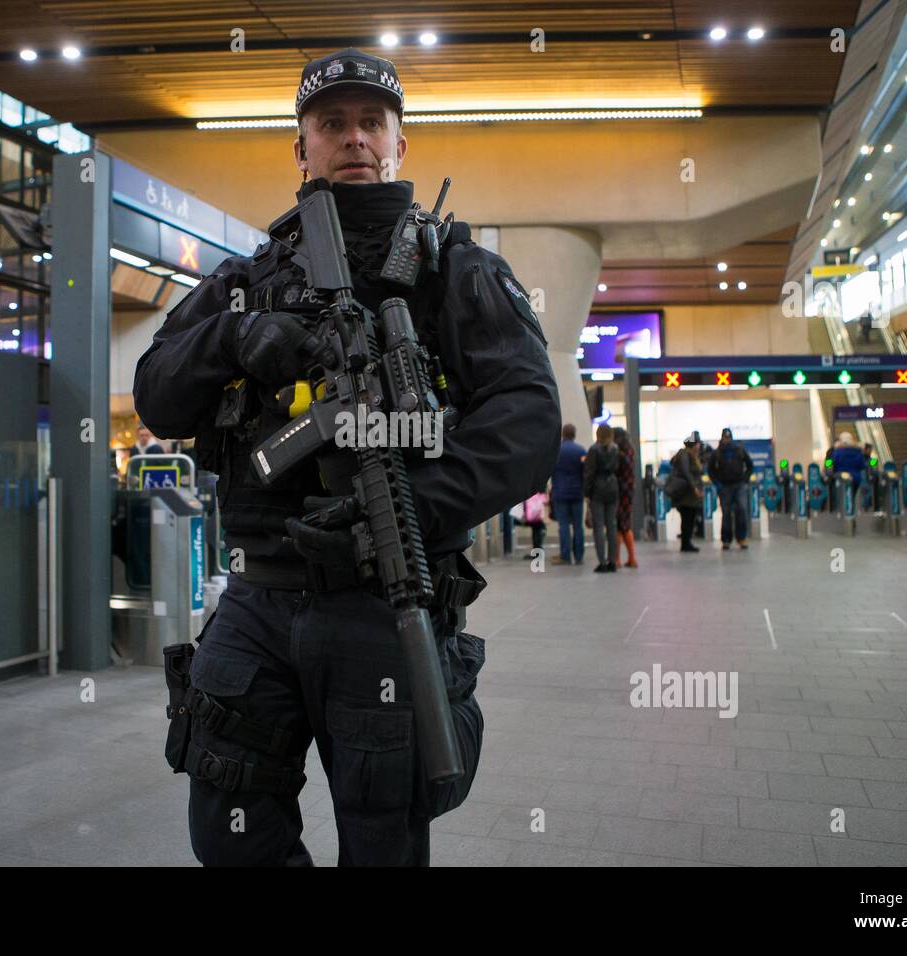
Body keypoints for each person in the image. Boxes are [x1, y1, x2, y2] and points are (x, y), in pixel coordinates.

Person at [132, 46, 560, 867]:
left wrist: (401, 512)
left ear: (400, 144)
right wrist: (233, 336)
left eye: (373, 122)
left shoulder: (455, 273)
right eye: (332, 124)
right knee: (228, 831)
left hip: (382, 603)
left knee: (384, 839)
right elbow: (157, 392)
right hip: (257, 599)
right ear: (302, 147)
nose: (354, 138)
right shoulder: (245, 280)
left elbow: (530, 422)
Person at [707, 427, 753, 550]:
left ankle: (741, 538)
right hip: (724, 487)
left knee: (741, 510)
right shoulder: (716, 453)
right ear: (722, 438)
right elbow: (710, 470)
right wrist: (717, 483)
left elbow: (750, 465)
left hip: (739, 485)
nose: (727, 439)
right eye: (725, 437)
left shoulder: (740, 450)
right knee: (726, 513)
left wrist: (745, 479)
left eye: (728, 437)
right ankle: (726, 540)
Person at [583, 424, 620, 572]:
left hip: (598, 490)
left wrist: (586, 493)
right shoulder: (615, 449)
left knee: (598, 527)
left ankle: (602, 562)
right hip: (613, 488)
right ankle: (613, 561)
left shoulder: (594, 449)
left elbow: (589, 473)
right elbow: (617, 468)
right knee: (612, 526)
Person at [551, 423, 587, 565]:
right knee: (578, 526)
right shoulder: (581, 451)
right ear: (574, 434)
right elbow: (585, 472)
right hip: (577, 493)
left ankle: (565, 556)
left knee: (564, 525)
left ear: (563, 434)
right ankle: (579, 556)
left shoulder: (556, 451)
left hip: (560, 493)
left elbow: (550, 471)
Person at [671, 433, 704, 553]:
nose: (699, 446)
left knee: (689, 518)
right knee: (687, 518)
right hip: (687, 493)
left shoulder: (690, 455)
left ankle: (687, 542)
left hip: (689, 493)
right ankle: (686, 543)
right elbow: (686, 472)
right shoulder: (685, 455)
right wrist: (694, 487)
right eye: (698, 444)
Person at [613, 426, 637, 568]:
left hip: (619, 491)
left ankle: (617, 559)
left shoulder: (619, 454)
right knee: (626, 525)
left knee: (618, 526)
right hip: (629, 492)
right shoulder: (631, 452)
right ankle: (631, 558)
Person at [830, 431, 867, 498]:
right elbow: (863, 466)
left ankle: (843, 507)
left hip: (840, 479)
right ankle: (851, 506)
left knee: (841, 499)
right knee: (852, 497)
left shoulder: (837, 452)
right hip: (855, 479)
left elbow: (833, 465)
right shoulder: (858, 452)